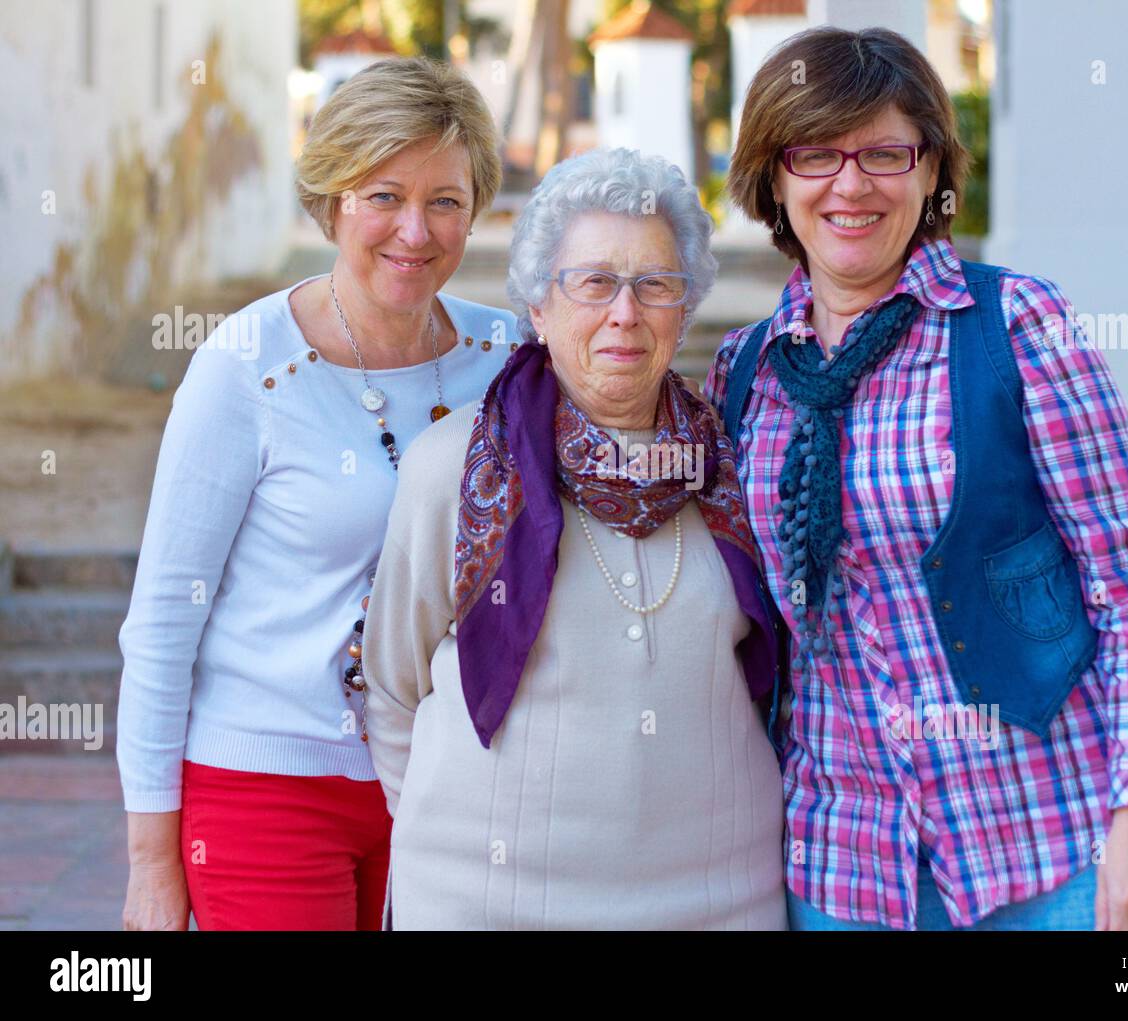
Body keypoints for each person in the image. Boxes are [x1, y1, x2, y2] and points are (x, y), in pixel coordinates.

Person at [708, 26, 1128, 931]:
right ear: (773, 179)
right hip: (846, 865)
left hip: (1054, 843)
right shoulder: (743, 376)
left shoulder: (1015, 325)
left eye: (887, 152)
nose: (850, 184)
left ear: (931, 171)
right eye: (815, 153)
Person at [117, 57, 519, 930]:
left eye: (445, 200)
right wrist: (152, 864)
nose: (415, 230)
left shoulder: (509, 357)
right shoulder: (246, 362)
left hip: (446, 788)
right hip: (266, 786)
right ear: (334, 199)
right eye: (383, 195)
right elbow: (161, 619)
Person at [361, 147, 787, 930]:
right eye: (592, 282)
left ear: (684, 308)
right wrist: (452, 844)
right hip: (486, 903)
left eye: (654, 284)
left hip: (719, 902)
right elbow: (392, 689)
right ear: (538, 307)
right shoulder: (451, 470)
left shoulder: (737, 465)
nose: (624, 312)